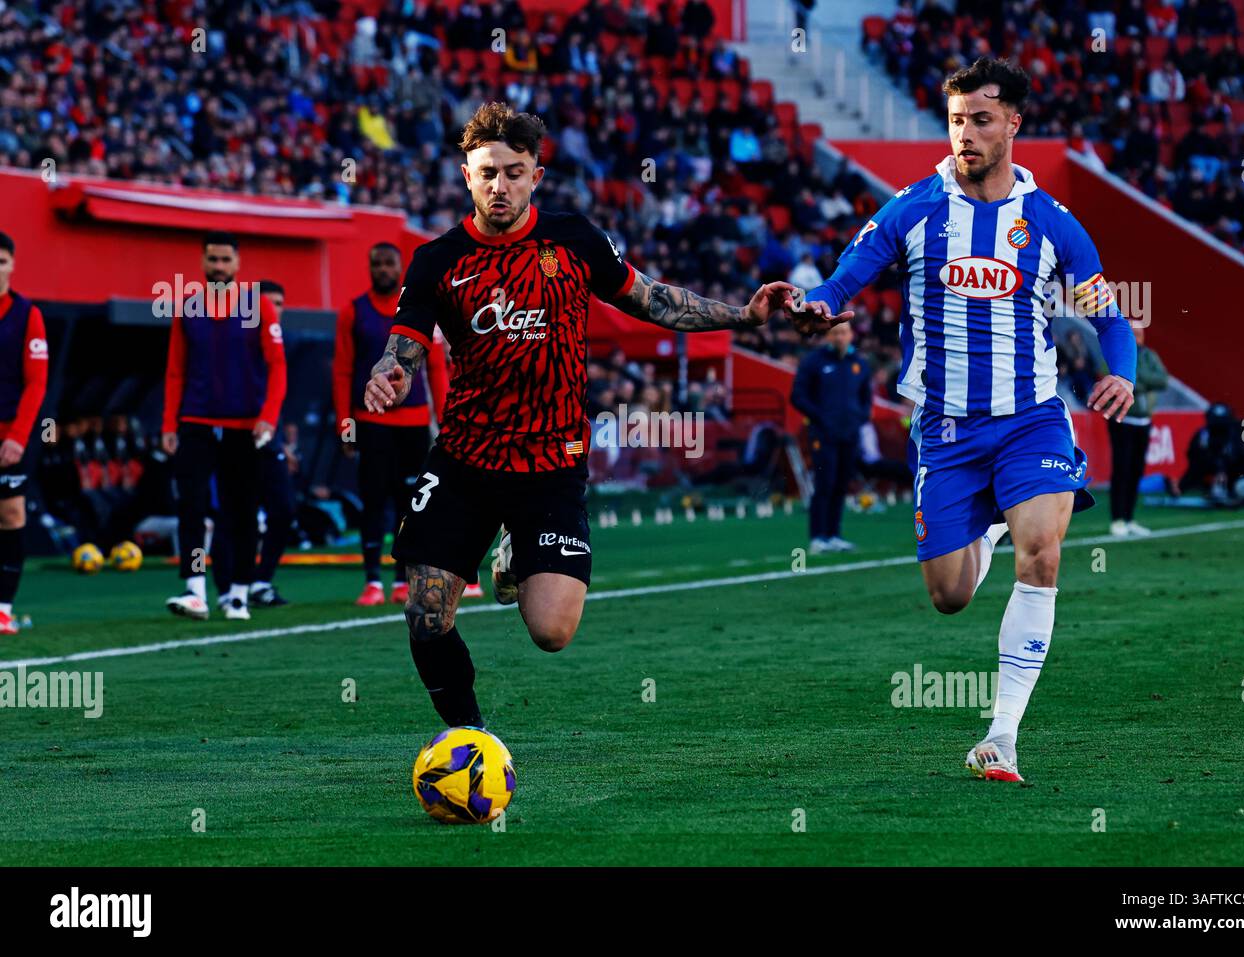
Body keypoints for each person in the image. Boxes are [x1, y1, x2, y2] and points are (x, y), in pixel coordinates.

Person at [362, 102, 830, 733]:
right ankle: (469, 739)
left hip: (551, 463)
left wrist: (742, 317)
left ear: (536, 177)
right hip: (465, 458)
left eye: (514, 171)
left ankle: (515, 554)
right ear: (465, 175)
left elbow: (653, 300)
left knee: (552, 633)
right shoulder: (436, 260)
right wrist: (389, 373)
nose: (500, 185)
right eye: (487, 172)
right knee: (425, 613)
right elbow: (406, 344)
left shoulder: (573, 239)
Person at [795, 58, 1137, 782]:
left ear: (1013, 123)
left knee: (1041, 551)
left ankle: (1002, 735)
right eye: (956, 120)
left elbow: (1112, 320)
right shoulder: (912, 209)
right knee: (949, 595)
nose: (966, 133)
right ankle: (984, 521)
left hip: (1031, 420)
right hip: (946, 432)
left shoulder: (1051, 225)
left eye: (981, 119)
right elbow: (841, 283)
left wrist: (1123, 375)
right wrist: (812, 305)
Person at [162, 232, 286, 621]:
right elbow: (175, 371)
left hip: (244, 426)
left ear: (237, 263)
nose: (218, 267)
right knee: (192, 508)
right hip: (196, 422)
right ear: (203, 261)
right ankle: (195, 590)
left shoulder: (260, 306)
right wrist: (170, 423)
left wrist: (267, 416)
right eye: (212, 260)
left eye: (224, 260)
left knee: (243, 511)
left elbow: (277, 366)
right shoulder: (187, 307)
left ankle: (238, 594)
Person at [333, 243, 448, 606]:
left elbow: (437, 369)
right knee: (372, 500)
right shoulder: (353, 312)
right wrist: (345, 426)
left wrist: (444, 422)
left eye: (388, 264)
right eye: (377, 263)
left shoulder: (418, 310)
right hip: (371, 421)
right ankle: (371, 581)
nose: (382, 269)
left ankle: (401, 579)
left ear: (399, 267)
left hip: (414, 423)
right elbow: (342, 371)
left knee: (410, 502)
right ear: (370, 267)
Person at [213, 279, 298, 608]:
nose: (273, 309)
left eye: (278, 303)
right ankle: (225, 589)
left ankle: (260, 581)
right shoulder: (236, 344)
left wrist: (281, 440)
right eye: (267, 303)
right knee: (230, 513)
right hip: (235, 434)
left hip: (268, 438)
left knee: (284, 509)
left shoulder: (279, 344)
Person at [0, 231, 49, 635]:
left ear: (12, 265)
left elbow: (37, 383)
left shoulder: (27, 314)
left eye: (1, 261)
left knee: (11, 513)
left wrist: (17, 436)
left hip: (9, 435)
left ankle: (3, 607)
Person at [791, 323, 873, 553]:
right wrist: (820, 417)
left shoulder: (859, 363)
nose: (839, 337)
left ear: (851, 334)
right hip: (823, 434)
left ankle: (834, 534)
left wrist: (860, 417)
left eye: (843, 332)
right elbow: (797, 396)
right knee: (824, 484)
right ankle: (818, 537)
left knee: (841, 485)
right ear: (828, 335)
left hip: (850, 433)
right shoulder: (813, 362)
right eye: (835, 333)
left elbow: (866, 396)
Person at [1106, 322, 1168, 537]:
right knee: (1121, 469)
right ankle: (1117, 519)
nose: (1138, 337)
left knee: (1136, 470)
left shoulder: (1149, 355)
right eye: (1134, 333)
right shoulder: (1117, 353)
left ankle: (1130, 518)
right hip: (1123, 418)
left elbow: (1162, 380)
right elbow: (1113, 380)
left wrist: (1136, 380)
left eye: (1141, 333)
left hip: (1144, 420)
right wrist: (1137, 382)